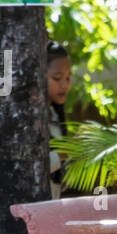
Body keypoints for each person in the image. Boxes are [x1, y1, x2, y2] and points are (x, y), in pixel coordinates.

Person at [46, 40, 72, 198]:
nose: (64, 85)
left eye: (68, 78)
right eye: (57, 78)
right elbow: (26, 169)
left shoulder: (55, 115)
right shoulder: (27, 119)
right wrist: (62, 154)